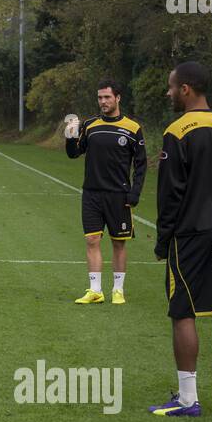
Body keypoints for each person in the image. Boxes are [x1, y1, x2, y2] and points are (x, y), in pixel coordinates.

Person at [149, 62, 212, 417]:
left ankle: (188, 399)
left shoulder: (177, 131)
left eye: (171, 87)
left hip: (190, 234)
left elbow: (170, 193)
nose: (168, 93)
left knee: (183, 311)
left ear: (186, 89)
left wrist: (164, 240)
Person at [64, 79, 147, 304]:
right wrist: (70, 136)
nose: (103, 101)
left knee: (118, 243)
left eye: (107, 97)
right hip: (91, 193)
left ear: (118, 98)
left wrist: (135, 193)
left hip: (119, 195)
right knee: (92, 240)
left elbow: (141, 164)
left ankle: (118, 290)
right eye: (100, 98)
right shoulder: (90, 125)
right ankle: (95, 290)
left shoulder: (132, 128)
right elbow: (73, 153)